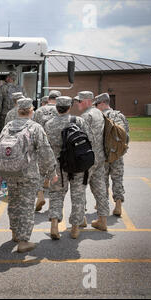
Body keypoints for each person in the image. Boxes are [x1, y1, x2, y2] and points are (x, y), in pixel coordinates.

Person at [0, 98, 57, 252]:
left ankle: (15, 234)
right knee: (26, 206)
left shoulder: (8, 126)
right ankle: (24, 241)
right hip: (28, 173)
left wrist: (2, 170)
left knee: (13, 203)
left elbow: (1, 149)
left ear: (18, 110)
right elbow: (45, 151)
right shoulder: (35, 127)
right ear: (31, 111)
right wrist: (52, 172)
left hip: (10, 172)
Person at [44, 97, 89, 240]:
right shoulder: (78, 121)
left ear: (56, 108)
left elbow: (46, 146)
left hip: (58, 165)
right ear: (69, 107)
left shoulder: (49, 124)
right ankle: (75, 228)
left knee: (56, 194)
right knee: (78, 195)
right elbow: (89, 140)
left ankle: (54, 225)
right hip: (77, 164)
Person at [76, 91, 110, 231]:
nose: (77, 104)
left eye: (79, 101)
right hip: (100, 157)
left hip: (87, 158)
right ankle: (102, 220)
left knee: (80, 187)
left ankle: (81, 220)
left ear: (87, 101)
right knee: (100, 188)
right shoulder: (99, 113)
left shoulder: (85, 116)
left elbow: (80, 139)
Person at [94, 93, 130, 217]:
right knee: (117, 179)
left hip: (103, 155)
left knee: (102, 181)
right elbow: (126, 136)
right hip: (117, 155)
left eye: (97, 104)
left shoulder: (98, 117)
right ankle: (118, 205)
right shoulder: (120, 116)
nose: (96, 107)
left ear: (103, 103)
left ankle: (101, 205)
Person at [33, 90, 61, 212]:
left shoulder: (39, 111)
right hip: (57, 147)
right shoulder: (60, 110)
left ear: (48, 98)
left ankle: (40, 195)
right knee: (55, 174)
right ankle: (53, 206)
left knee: (39, 173)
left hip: (41, 146)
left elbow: (33, 128)